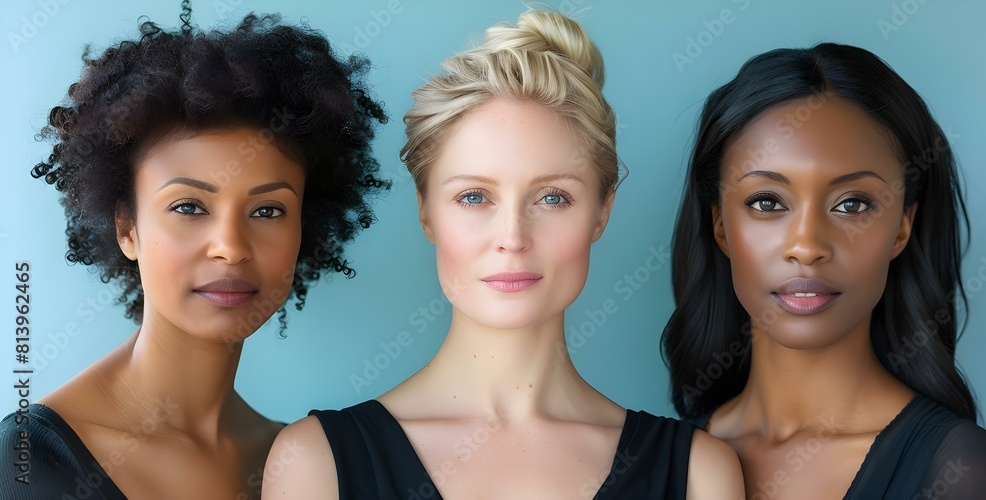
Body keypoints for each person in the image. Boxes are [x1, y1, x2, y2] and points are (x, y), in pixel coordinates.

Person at [263, 10, 743, 500]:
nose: (512, 237)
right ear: (426, 212)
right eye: (474, 197)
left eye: (552, 197)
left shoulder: (697, 474)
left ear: (602, 212)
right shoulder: (315, 463)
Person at [0, 5, 388, 499]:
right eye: (188, 206)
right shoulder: (29, 464)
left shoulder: (300, 464)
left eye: (268, 211)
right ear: (127, 227)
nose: (230, 247)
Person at [662, 42, 986, 499]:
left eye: (852, 204)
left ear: (901, 228)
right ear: (721, 226)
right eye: (766, 202)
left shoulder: (963, 473)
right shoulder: (658, 463)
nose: (807, 246)